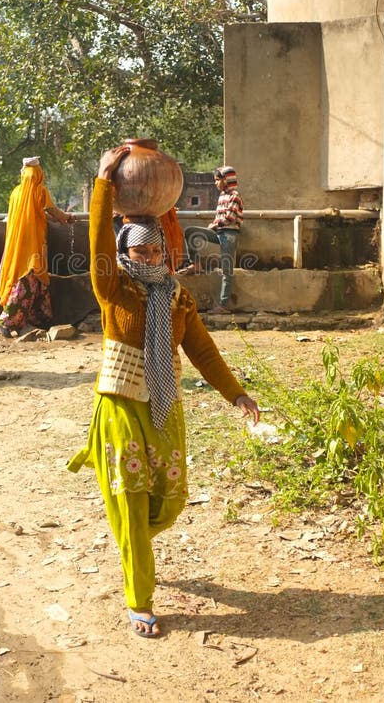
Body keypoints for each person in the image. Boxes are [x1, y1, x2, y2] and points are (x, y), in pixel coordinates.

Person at [67, 145, 259, 639]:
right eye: (140, 249)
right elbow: (96, 251)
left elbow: (203, 351)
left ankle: (136, 546)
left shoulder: (177, 296)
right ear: (126, 250)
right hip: (120, 405)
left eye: (156, 249)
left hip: (164, 403)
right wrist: (104, 184)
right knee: (130, 502)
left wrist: (236, 395)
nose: (150, 256)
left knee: (169, 501)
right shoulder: (115, 289)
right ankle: (140, 597)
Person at [0, 157, 74, 337]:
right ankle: (5, 321)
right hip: (32, 245)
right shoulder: (40, 191)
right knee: (28, 281)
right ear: (39, 175)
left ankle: (34, 321)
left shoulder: (16, 192)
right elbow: (53, 211)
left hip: (16, 245)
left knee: (34, 279)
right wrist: (67, 218)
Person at [178, 166, 244, 314]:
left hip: (229, 234)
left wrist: (214, 224)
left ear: (226, 180)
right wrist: (214, 225)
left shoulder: (235, 195)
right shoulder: (221, 196)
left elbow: (230, 218)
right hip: (218, 232)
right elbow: (218, 217)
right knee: (190, 231)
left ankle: (223, 305)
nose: (215, 183)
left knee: (227, 270)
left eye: (217, 180)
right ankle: (196, 264)